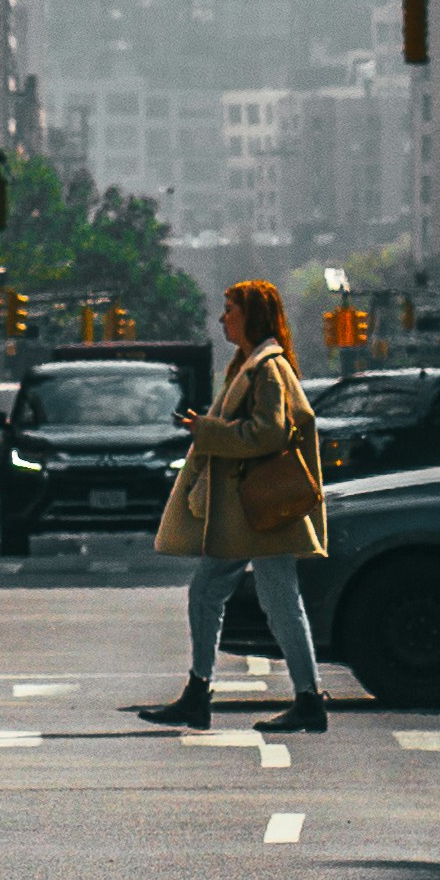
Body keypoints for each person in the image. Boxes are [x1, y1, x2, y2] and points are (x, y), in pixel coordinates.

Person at [134, 277, 329, 731]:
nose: (222, 318)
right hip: (252, 511)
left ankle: (220, 696)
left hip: (257, 509)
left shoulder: (267, 366)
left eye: (230, 309)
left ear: (251, 315)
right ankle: (282, 697)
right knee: (253, 597)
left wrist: (209, 432)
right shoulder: (250, 364)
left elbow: (270, 432)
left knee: (241, 595)